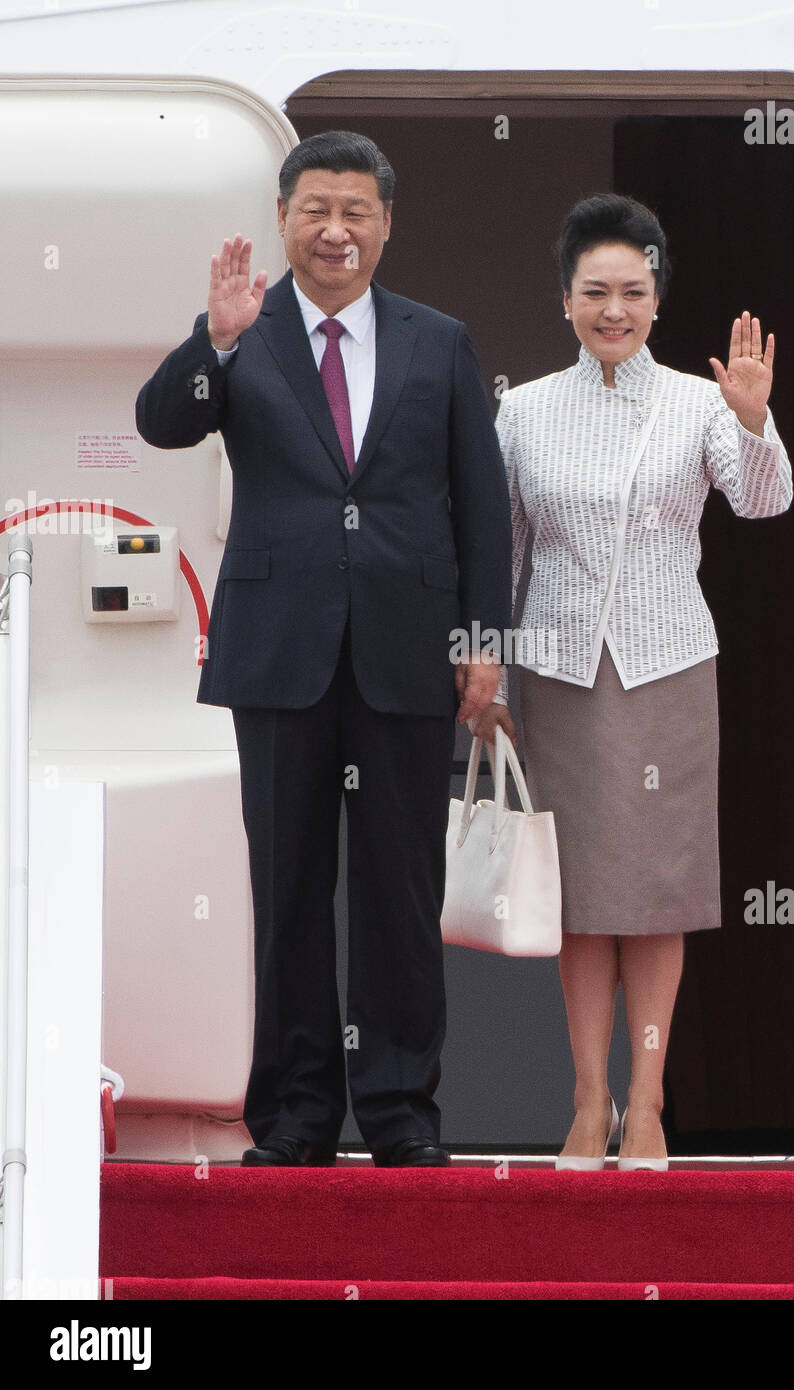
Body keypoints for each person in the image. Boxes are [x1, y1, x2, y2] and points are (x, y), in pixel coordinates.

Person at [136, 131, 511, 1168]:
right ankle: (296, 1115)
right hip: (279, 653)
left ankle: (400, 1114)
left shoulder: (439, 340)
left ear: (386, 224)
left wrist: (485, 644)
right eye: (315, 210)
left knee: (398, 890)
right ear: (284, 219)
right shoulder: (242, 333)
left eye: (355, 211)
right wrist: (212, 342)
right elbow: (162, 423)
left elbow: (482, 510)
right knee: (288, 889)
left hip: (407, 653)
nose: (335, 229)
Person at [472, 194, 793, 1171]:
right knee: (579, 898)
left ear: (657, 300)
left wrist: (754, 420)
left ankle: (646, 1105)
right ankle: (585, 1101)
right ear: (565, 299)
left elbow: (763, 501)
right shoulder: (521, 408)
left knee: (655, 895)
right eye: (595, 291)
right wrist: (483, 658)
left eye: (633, 291)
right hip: (562, 673)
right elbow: (500, 550)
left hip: (664, 668)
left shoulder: (698, 402)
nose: (614, 308)